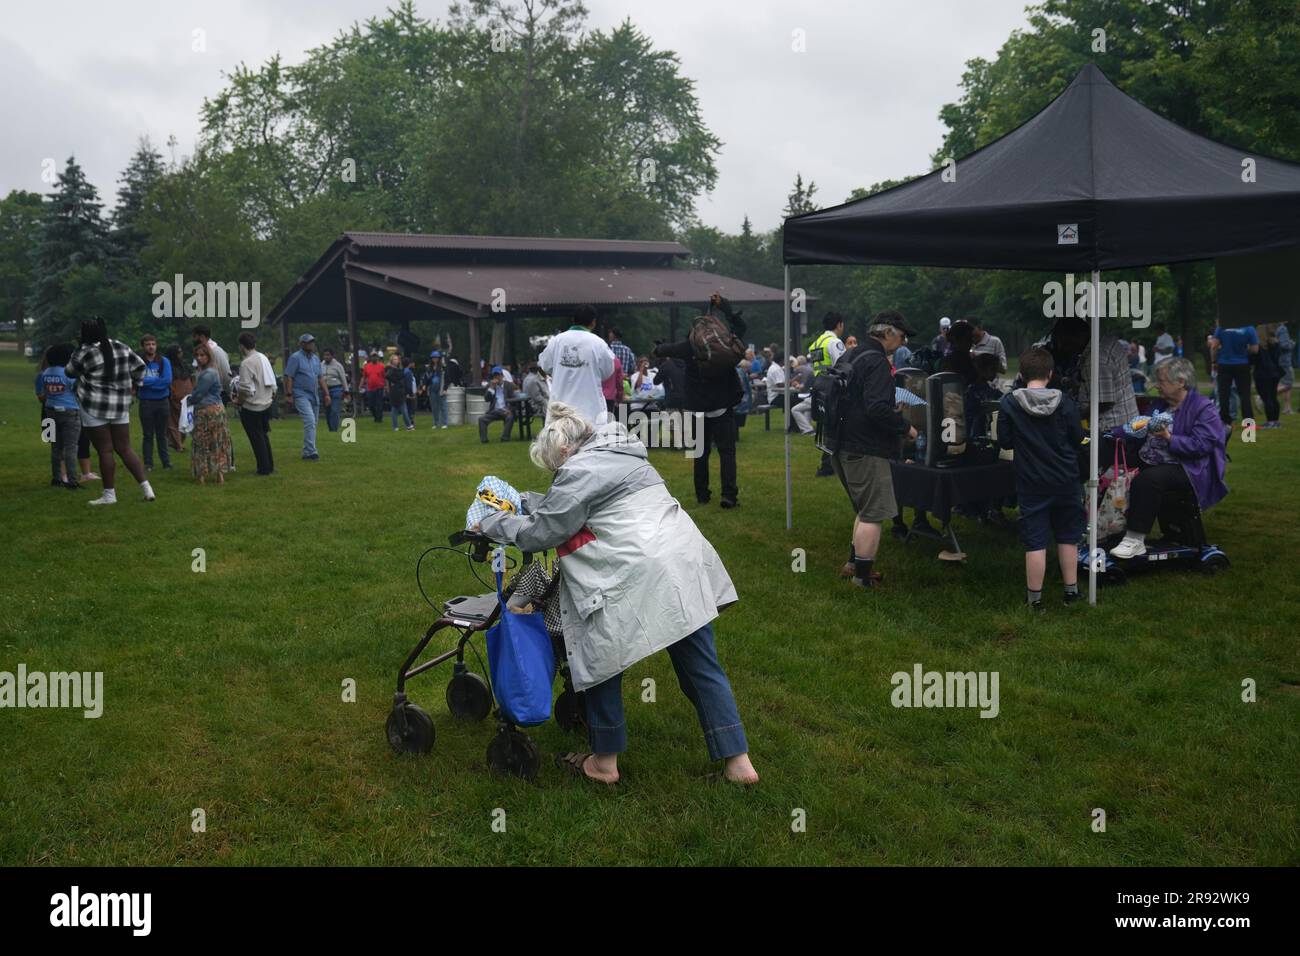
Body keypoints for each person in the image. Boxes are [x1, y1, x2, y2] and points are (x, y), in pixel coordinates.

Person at [477, 402, 757, 786]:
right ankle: (738, 763)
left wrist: (493, 522)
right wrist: (530, 500)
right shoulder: (622, 452)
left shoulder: (576, 471)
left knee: (599, 657)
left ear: (563, 451)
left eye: (554, 468)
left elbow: (542, 533)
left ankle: (604, 763)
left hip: (637, 573)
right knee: (701, 665)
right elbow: (582, 506)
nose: (557, 475)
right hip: (682, 564)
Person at [826, 313, 916, 589]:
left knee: (864, 508)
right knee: (873, 513)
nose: (902, 342)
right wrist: (904, 426)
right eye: (902, 336)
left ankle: (854, 564)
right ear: (888, 333)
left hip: (840, 443)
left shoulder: (851, 355)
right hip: (865, 447)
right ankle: (862, 579)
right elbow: (876, 408)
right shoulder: (876, 361)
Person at [1108, 357, 1227, 559]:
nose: (1156, 385)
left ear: (1180, 382)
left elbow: (1202, 445)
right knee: (1112, 468)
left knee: (1148, 479)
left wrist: (1169, 437)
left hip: (1188, 467)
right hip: (1153, 459)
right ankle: (1107, 529)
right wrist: (1112, 434)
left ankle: (1134, 540)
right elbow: (1138, 425)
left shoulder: (1203, 408)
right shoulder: (1160, 404)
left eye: (1161, 381)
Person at [995, 348, 1086, 611]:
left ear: (1021, 375)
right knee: (1068, 536)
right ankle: (1071, 593)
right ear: (1050, 373)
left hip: (1031, 481)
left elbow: (1005, 441)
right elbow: (1078, 437)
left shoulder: (1009, 403)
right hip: (1067, 479)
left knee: (1035, 540)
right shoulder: (1067, 402)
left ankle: (1035, 600)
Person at [654, 294, 748, 508]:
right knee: (727, 453)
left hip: (698, 408)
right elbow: (741, 327)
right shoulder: (725, 342)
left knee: (700, 454)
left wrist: (657, 349)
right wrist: (726, 307)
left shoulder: (688, 346)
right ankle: (728, 495)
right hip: (723, 406)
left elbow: (665, 349)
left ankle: (702, 495)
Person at [65, 319, 154, 506]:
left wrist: (78, 349)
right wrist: (136, 386)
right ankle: (147, 488)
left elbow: (69, 372)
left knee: (105, 450)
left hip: (93, 406)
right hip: (120, 404)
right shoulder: (120, 346)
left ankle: (109, 494)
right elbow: (140, 368)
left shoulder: (85, 351)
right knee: (125, 448)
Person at [539, 306, 615, 424]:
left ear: (573, 320)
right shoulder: (598, 343)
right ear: (593, 322)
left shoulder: (557, 341)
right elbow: (608, 371)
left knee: (560, 440)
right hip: (590, 410)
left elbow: (545, 365)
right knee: (590, 441)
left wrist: (562, 371)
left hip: (560, 409)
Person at [793, 312, 846, 460]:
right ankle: (829, 462)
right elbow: (842, 366)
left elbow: (819, 367)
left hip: (820, 387)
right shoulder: (835, 342)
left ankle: (827, 462)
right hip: (834, 387)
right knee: (836, 426)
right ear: (839, 324)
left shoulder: (816, 344)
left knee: (828, 426)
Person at [36, 343, 82, 490]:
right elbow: (79, 392)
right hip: (70, 411)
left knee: (55, 447)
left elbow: (41, 394)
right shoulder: (69, 374)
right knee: (70, 447)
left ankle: (56, 478)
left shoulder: (45, 373)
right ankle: (72, 480)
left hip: (50, 410)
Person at [191, 341, 234, 485]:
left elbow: (199, 394)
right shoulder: (211, 371)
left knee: (202, 442)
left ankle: (203, 475)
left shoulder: (208, 373)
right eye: (197, 355)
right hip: (217, 409)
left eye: (202, 355)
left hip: (206, 411)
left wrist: (189, 400)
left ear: (208, 356)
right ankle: (218, 475)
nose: (199, 357)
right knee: (218, 442)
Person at [234, 332, 275, 476]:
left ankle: (263, 468)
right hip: (266, 403)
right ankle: (269, 465)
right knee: (263, 436)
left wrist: (238, 401)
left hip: (252, 406)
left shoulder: (247, 362)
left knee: (256, 438)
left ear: (241, 346)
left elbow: (244, 388)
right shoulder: (263, 357)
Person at [283, 333, 328, 458]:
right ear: (302, 344)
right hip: (300, 393)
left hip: (314, 394)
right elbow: (289, 376)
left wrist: (326, 394)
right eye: (309, 342)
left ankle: (307, 450)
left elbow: (320, 378)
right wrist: (289, 394)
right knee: (310, 421)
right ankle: (311, 451)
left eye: (312, 342)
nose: (311, 344)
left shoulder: (315, 359)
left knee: (314, 423)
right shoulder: (295, 358)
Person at [1208, 323, 1257, 429]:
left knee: (1224, 393)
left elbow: (1214, 346)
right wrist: (1245, 349)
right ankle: (1248, 422)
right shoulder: (1249, 328)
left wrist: (1214, 361)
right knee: (1244, 394)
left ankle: (1225, 421)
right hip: (1242, 364)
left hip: (1224, 363)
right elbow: (1255, 349)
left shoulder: (1222, 327)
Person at [136, 334, 173, 471]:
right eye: (147, 344)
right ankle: (148, 463)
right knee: (148, 434)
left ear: (156, 345)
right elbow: (138, 380)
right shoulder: (138, 362)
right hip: (146, 402)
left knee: (162, 434)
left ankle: (166, 462)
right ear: (143, 346)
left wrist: (148, 383)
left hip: (162, 401)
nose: (151, 347)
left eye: (153, 344)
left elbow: (167, 381)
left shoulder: (164, 361)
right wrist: (156, 382)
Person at [1252, 323, 1283, 428]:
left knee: (1266, 398)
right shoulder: (1275, 343)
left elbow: (1253, 360)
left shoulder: (1258, 347)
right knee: (1273, 397)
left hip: (1262, 374)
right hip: (1275, 373)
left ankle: (1270, 421)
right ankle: (1276, 421)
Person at [191, 325, 232, 401]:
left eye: (194, 336)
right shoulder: (199, 352)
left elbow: (226, 373)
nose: (193, 339)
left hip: (217, 396)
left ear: (202, 337)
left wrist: (230, 393)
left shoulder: (217, 351)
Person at [165, 344, 192, 452]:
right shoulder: (168, 366)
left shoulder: (184, 365)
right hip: (175, 397)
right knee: (173, 421)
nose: (181, 354)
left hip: (186, 397)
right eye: (179, 352)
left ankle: (178, 442)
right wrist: (172, 393)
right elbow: (169, 381)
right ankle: (178, 444)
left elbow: (190, 377)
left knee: (184, 420)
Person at [478, 367, 516, 442]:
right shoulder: (490, 385)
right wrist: (492, 387)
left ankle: (505, 438)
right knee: (481, 419)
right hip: (494, 410)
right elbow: (486, 399)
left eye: (498, 375)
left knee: (510, 417)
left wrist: (510, 409)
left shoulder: (509, 385)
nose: (496, 377)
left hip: (505, 409)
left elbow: (514, 401)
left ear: (502, 375)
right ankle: (484, 440)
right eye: (494, 376)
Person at [320, 348, 349, 432]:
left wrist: (346, 390)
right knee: (328, 411)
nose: (326, 357)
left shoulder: (338, 365)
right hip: (325, 390)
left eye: (328, 355)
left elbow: (343, 378)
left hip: (336, 389)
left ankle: (334, 429)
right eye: (325, 355)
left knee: (334, 410)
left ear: (332, 356)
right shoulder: (321, 365)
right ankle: (330, 428)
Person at [384, 354, 413, 430]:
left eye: (397, 359)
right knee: (403, 409)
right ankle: (409, 425)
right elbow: (387, 376)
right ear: (391, 361)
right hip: (397, 391)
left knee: (394, 409)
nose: (396, 360)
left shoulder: (396, 369)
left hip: (396, 391)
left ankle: (395, 426)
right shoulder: (393, 370)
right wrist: (397, 382)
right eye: (394, 359)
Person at [423, 351, 449, 428]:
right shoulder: (429, 368)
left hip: (441, 389)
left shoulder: (443, 367)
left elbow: (447, 378)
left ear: (439, 358)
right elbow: (426, 378)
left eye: (436, 358)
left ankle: (445, 423)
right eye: (433, 358)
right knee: (434, 407)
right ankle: (436, 423)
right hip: (432, 389)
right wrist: (424, 385)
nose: (435, 359)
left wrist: (445, 388)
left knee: (443, 406)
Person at [362, 352, 387, 423]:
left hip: (380, 387)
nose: (374, 358)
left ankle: (379, 418)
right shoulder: (366, 366)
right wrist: (360, 386)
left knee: (379, 403)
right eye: (373, 356)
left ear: (378, 358)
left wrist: (386, 387)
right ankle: (375, 415)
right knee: (371, 404)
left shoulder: (382, 366)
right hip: (370, 388)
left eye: (375, 356)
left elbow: (385, 377)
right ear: (370, 358)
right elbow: (364, 377)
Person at [1277, 322, 1294, 415]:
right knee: (1289, 383)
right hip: (1285, 360)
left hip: (1279, 360)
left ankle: (1287, 408)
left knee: (1284, 383)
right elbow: (1284, 345)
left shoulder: (1276, 328)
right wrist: (1291, 343)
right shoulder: (1283, 329)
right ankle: (1261, 398)